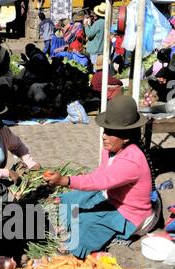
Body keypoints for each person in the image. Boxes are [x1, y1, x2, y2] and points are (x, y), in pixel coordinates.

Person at [43, 96, 158, 258]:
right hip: (110, 198)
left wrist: (65, 180)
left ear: (126, 137)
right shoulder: (110, 149)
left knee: (82, 229)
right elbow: (100, 175)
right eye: (105, 130)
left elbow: (99, 181)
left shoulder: (132, 160)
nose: (104, 136)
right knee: (69, 201)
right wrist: (76, 183)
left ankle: (79, 247)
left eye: (110, 133)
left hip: (128, 214)